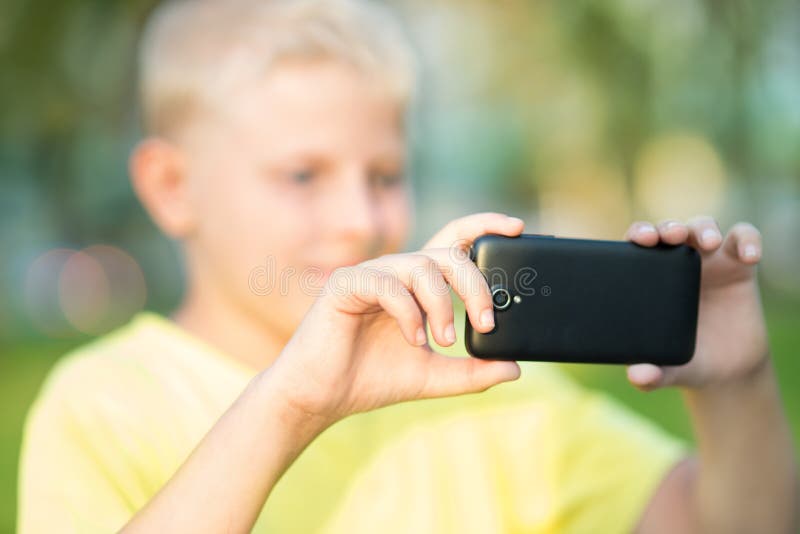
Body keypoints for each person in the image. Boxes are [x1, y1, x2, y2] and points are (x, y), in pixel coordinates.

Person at [17, 0, 798, 532]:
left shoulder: (486, 387)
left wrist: (739, 383)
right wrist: (289, 405)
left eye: (385, 175)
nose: (363, 219)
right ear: (172, 187)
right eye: (302, 175)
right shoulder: (106, 404)